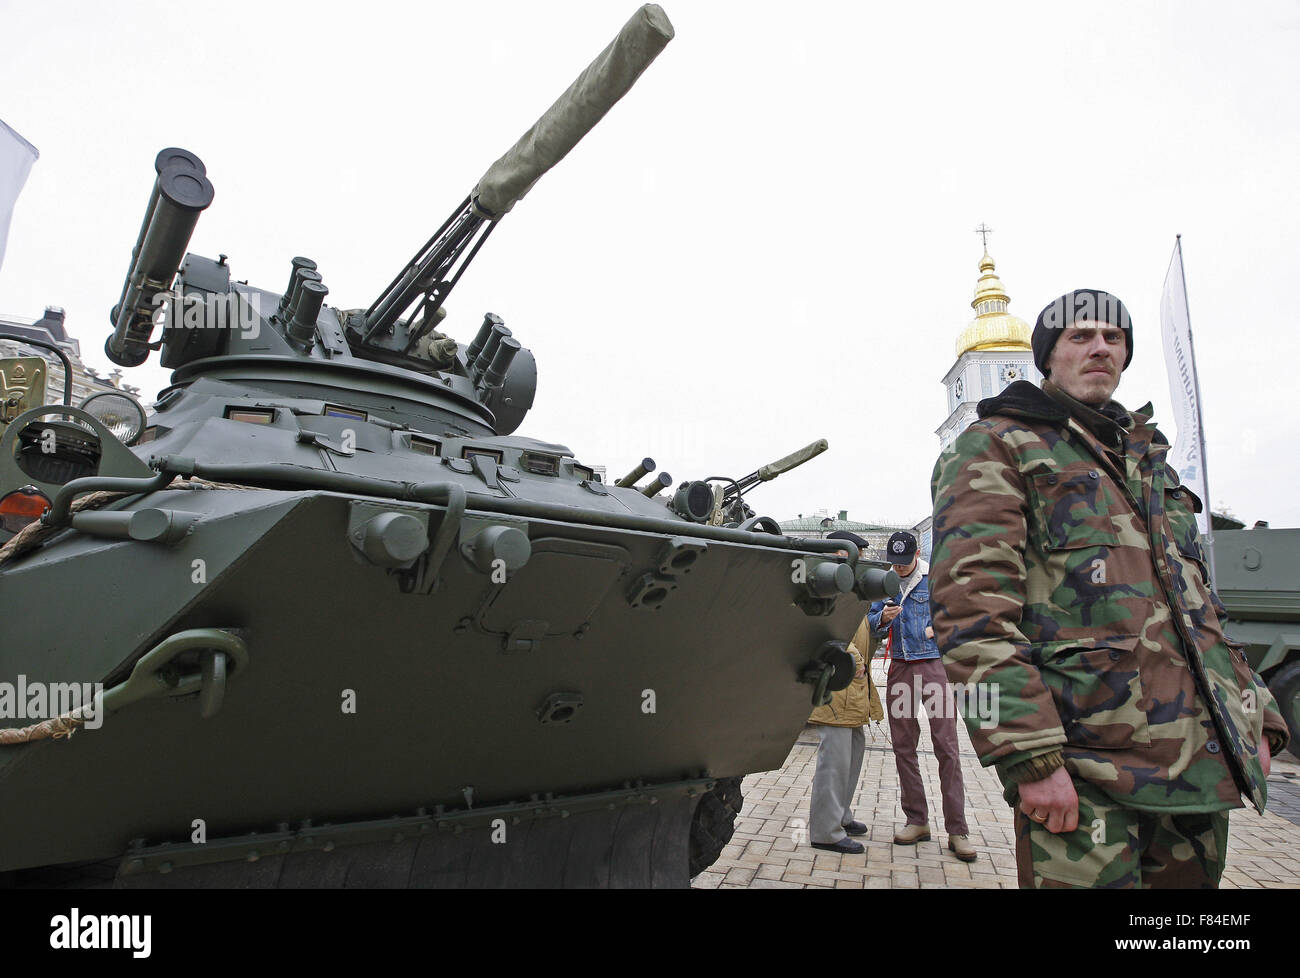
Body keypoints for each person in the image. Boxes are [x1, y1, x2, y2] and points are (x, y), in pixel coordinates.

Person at [929, 288, 1290, 888]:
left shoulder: (1150, 463)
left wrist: (1257, 714)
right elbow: (970, 614)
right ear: (1046, 356)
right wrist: (1028, 755)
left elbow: (1198, 605)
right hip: (1085, 772)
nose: (1100, 347)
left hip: (1195, 773)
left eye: (1113, 337)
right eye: (1080, 335)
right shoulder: (997, 446)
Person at [867, 530, 976, 862]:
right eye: (895, 564)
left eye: (904, 563)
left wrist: (938, 632)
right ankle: (917, 820)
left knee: (946, 746)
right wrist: (880, 620)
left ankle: (957, 830)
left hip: (933, 667)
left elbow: (957, 615)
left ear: (917, 555)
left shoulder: (936, 578)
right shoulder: (884, 581)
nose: (899, 569)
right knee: (903, 746)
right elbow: (870, 621)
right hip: (899, 668)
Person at [807, 531, 884, 854]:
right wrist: (852, 657)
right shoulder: (827, 582)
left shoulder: (849, 586)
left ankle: (841, 814)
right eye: (856, 553)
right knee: (834, 761)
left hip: (854, 687)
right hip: (838, 685)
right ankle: (825, 830)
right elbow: (823, 629)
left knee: (851, 755)